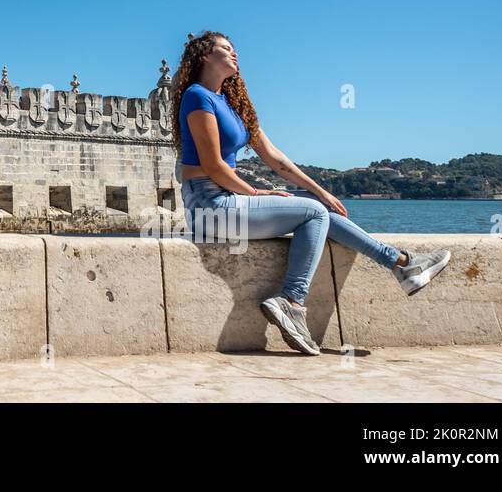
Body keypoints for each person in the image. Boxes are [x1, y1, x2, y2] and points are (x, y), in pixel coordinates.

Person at [174, 30, 451, 356]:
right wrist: (255, 192)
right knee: (314, 213)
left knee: (323, 214)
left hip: (229, 201)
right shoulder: (197, 96)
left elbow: (277, 159)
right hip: (209, 204)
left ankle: (401, 264)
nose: (235, 54)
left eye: (235, 49)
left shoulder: (233, 105)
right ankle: (292, 300)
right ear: (205, 56)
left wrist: (320, 191)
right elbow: (214, 165)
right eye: (226, 49)